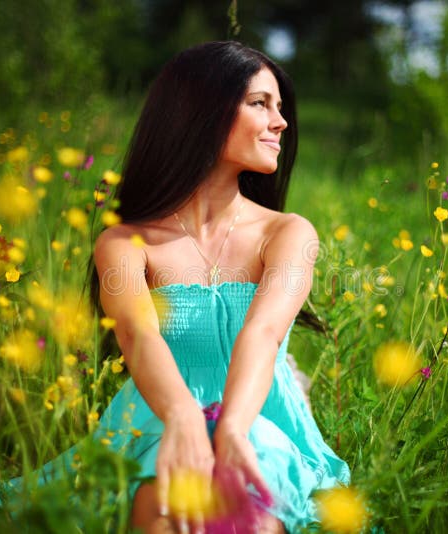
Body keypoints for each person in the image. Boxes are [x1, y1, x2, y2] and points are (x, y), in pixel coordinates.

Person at [91, 41, 350, 533]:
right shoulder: (124, 243)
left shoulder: (288, 233)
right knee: (166, 516)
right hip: (157, 419)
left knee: (249, 520)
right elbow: (137, 334)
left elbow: (264, 333)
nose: (281, 122)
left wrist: (231, 426)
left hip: (261, 422)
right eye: (260, 103)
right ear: (201, 111)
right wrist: (184, 417)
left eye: (279, 107)